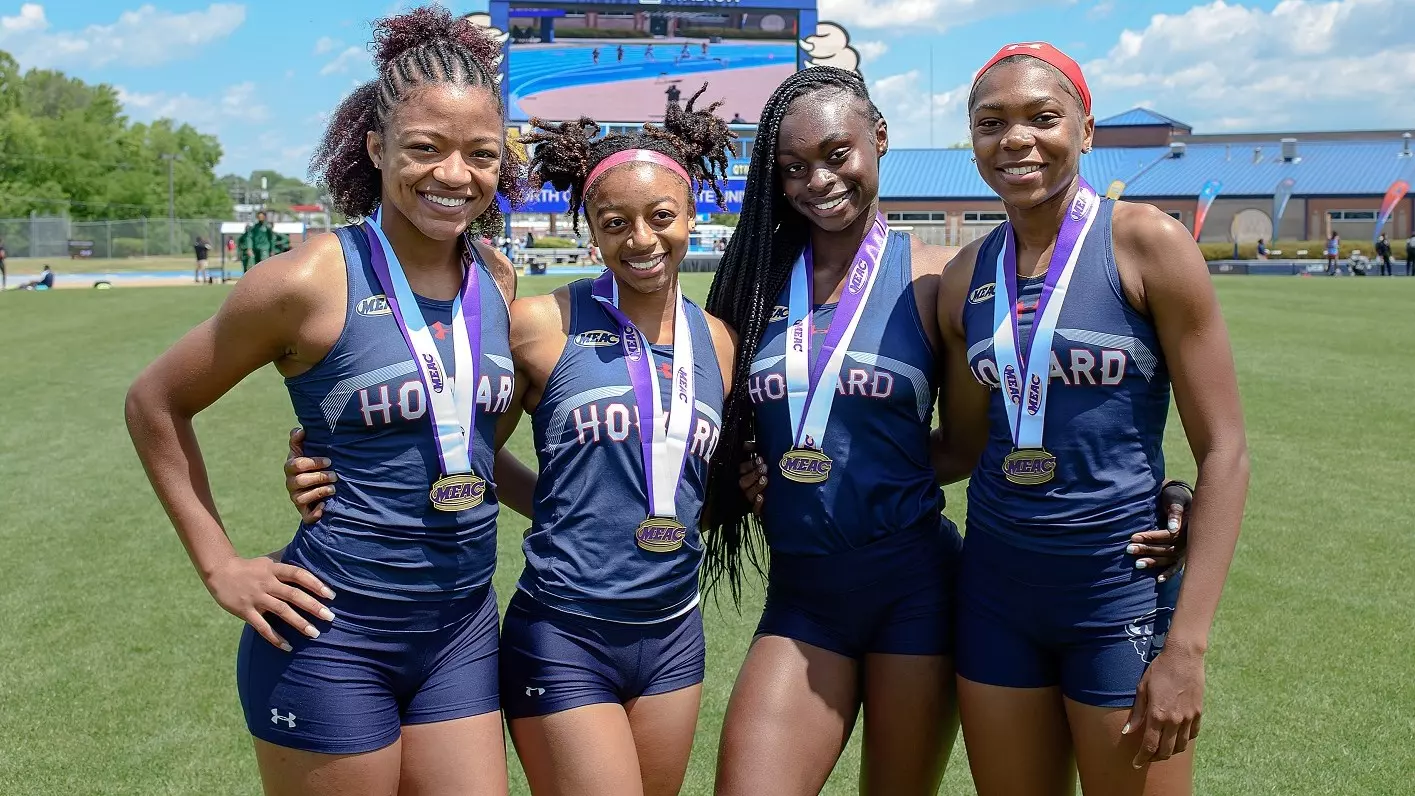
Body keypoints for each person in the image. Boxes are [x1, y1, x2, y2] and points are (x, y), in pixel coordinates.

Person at [286, 87, 739, 796]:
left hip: (674, 629)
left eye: (661, 218)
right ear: (591, 229)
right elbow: (461, 441)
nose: (641, 240)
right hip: (566, 626)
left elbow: (689, 481)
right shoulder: (536, 323)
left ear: (692, 217)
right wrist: (328, 463)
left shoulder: (716, 342)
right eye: (615, 222)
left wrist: (750, 488)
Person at [124, 8, 531, 795]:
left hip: (461, 629)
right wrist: (221, 566)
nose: (454, 174)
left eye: (480, 155)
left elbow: (472, 442)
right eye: (424, 147)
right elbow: (155, 403)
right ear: (376, 148)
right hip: (329, 631)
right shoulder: (305, 281)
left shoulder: (497, 280)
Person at [935, 43, 1249, 795]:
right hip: (995, 596)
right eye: (990, 122)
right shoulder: (961, 279)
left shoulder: (1146, 243)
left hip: (1120, 593)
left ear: (1085, 130)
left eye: (1042, 117)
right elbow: (959, 447)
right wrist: (802, 466)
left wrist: (1185, 650)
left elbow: (1227, 451)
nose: (1015, 139)